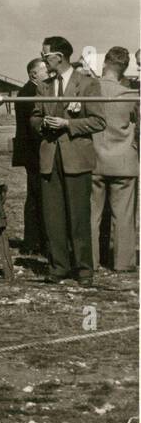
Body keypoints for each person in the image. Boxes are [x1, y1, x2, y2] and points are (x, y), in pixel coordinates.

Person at [30, 37, 105, 285]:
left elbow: (98, 121)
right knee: (53, 218)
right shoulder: (43, 86)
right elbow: (34, 117)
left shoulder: (88, 84)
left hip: (77, 160)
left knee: (79, 218)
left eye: (45, 56)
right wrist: (42, 124)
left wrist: (68, 124)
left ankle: (84, 271)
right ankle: (58, 267)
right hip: (50, 159)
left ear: (59, 57)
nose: (43, 60)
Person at [90, 46, 138, 273]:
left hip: (94, 159)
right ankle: (123, 262)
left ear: (105, 63)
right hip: (124, 161)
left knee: (91, 215)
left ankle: (90, 260)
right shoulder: (130, 95)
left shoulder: (90, 90)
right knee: (124, 216)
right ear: (125, 68)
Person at [13, 57, 50, 256]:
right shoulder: (30, 93)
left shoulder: (29, 91)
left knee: (35, 197)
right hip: (34, 152)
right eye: (44, 69)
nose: (49, 72)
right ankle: (36, 242)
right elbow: (33, 127)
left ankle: (33, 241)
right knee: (38, 196)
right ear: (33, 73)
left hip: (32, 152)